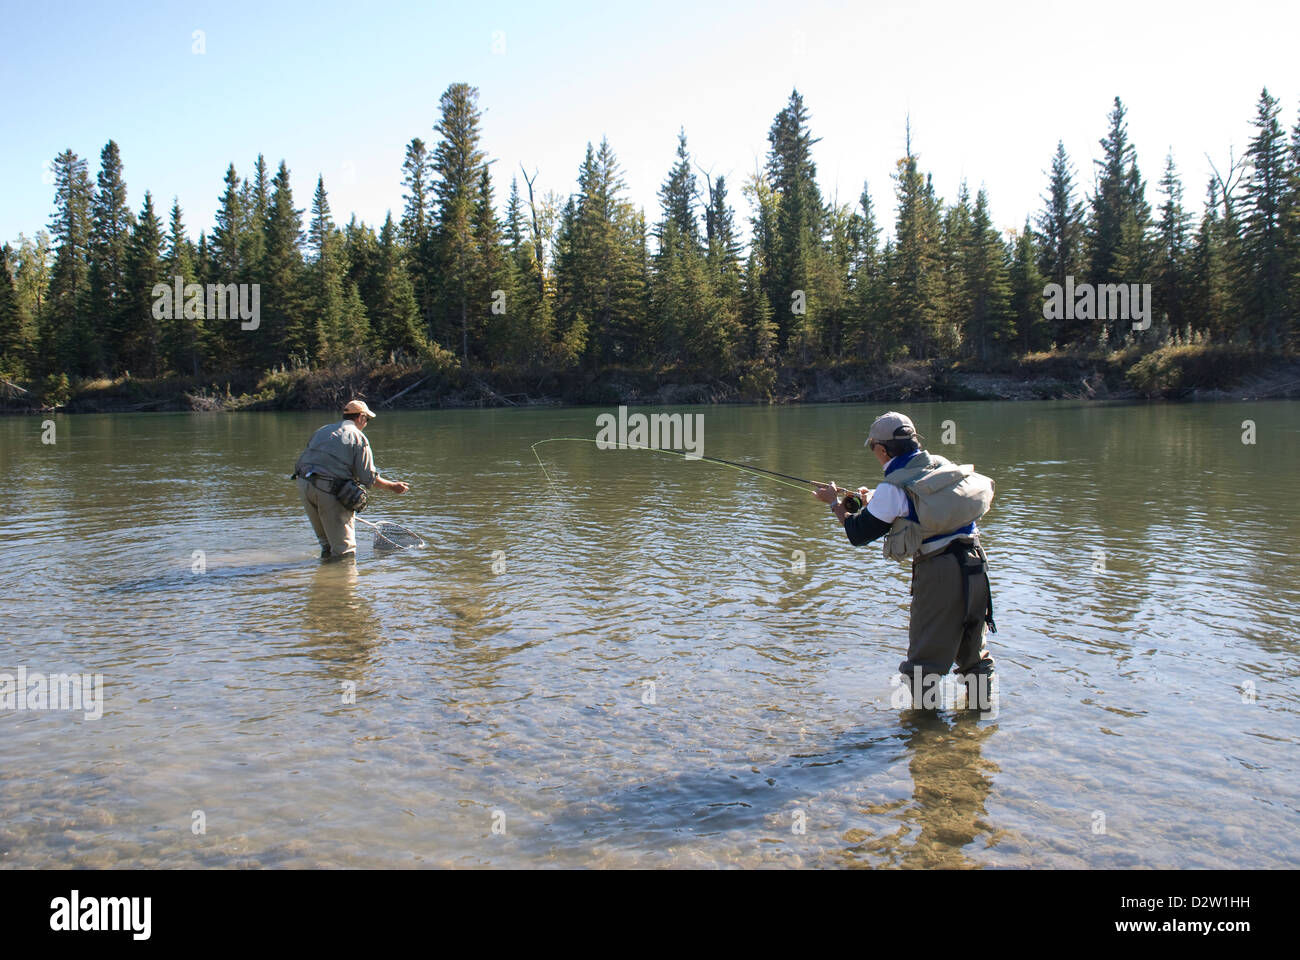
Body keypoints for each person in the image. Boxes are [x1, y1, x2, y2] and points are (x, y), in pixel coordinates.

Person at [813, 411, 996, 709]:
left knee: (922, 667)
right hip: (976, 564)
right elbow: (917, 505)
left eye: (873, 448)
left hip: (940, 573)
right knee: (974, 657)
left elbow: (858, 533)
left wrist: (834, 503)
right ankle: (979, 722)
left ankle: (922, 734)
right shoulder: (942, 465)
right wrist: (872, 498)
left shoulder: (892, 488)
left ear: (882, 449)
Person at [293, 399, 409, 560]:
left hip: (304, 484)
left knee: (327, 544)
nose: (366, 423)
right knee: (344, 551)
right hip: (329, 489)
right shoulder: (357, 436)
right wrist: (393, 486)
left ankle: (324, 580)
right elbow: (368, 478)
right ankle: (344, 583)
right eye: (367, 419)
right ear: (361, 417)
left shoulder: (322, 430)